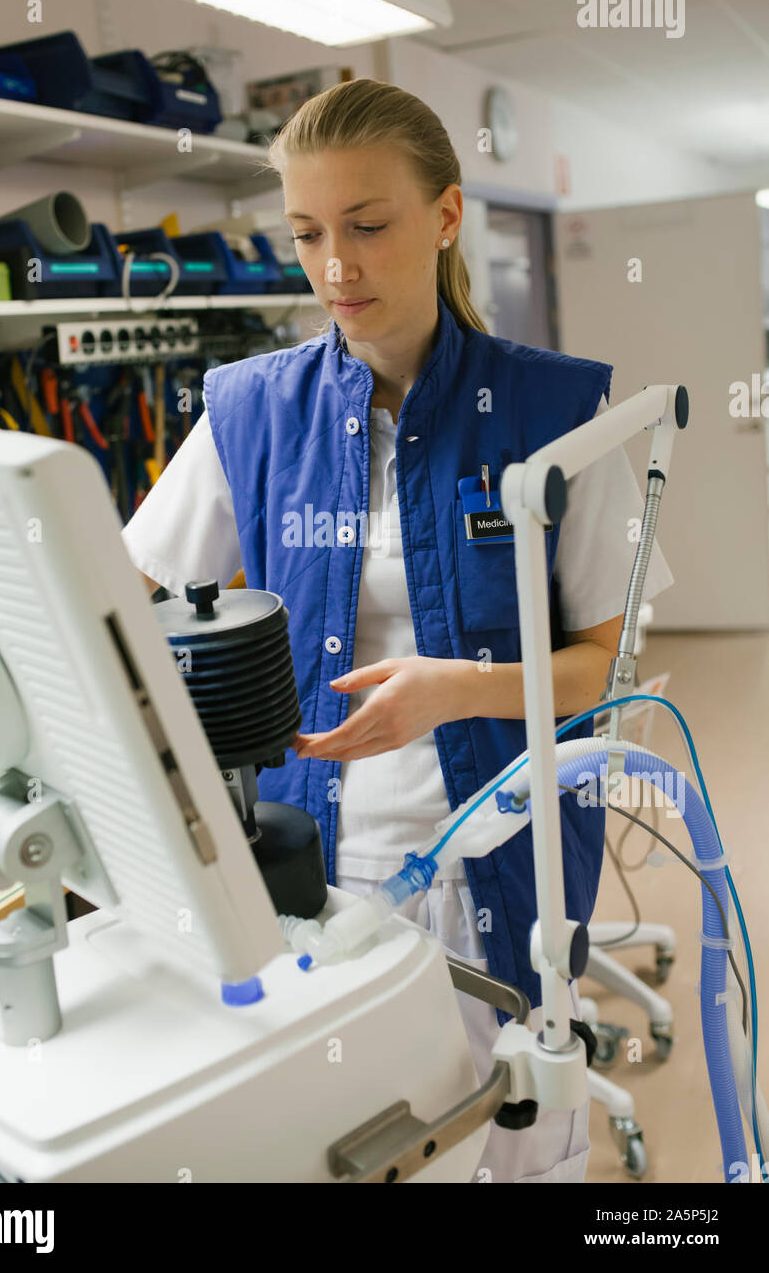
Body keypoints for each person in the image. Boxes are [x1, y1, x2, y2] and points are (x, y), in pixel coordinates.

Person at [121, 77, 674, 1182]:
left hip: (503, 856)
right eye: (307, 233)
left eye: (367, 227)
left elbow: (609, 666)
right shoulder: (251, 410)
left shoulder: (548, 414)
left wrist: (454, 688)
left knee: (509, 1137)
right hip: (309, 853)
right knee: (347, 1142)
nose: (336, 267)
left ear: (445, 216)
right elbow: (127, 598)